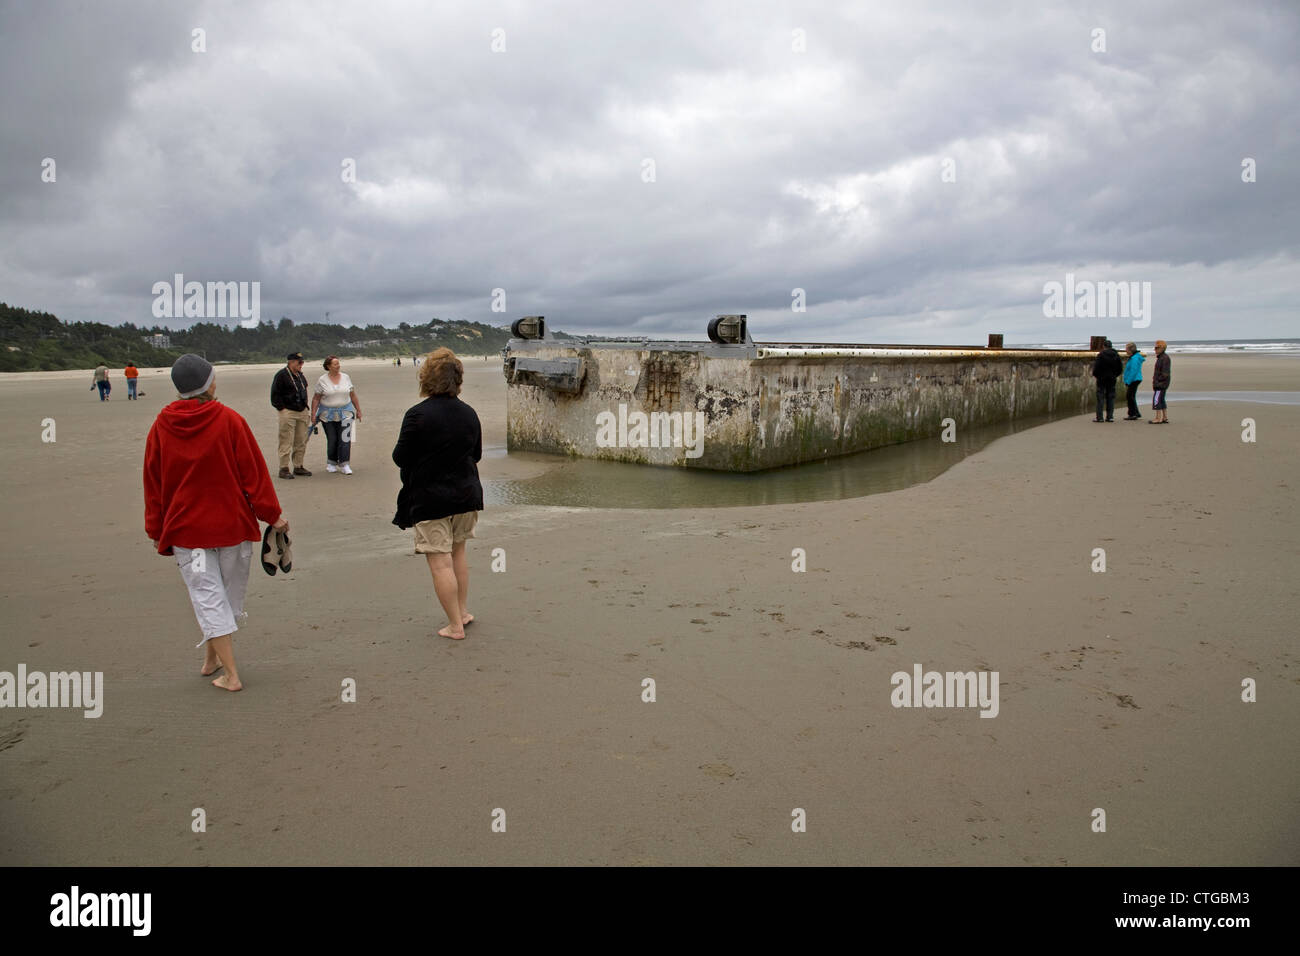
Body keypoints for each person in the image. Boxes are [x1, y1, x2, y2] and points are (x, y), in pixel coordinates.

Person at [144, 354, 288, 692]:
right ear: (208, 383)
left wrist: (155, 528)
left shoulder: (162, 425)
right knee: (223, 597)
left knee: (210, 596)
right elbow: (253, 474)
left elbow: (154, 484)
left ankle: (213, 660)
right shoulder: (229, 420)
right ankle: (232, 674)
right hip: (231, 526)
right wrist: (272, 514)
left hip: (186, 530)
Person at [392, 348, 483, 641]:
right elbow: (476, 454)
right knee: (458, 554)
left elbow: (400, 457)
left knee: (440, 561)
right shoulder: (469, 413)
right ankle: (463, 612)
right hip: (466, 494)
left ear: (426, 378)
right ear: (457, 380)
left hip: (431, 498)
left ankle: (455, 626)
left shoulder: (417, 415)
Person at [310, 356, 363, 474]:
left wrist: (358, 410)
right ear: (328, 366)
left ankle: (345, 464)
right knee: (332, 439)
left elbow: (353, 395)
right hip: (327, 414)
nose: (338, 366)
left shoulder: (346, 377)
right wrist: (313, 414)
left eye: (338, 363)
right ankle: (331, 463)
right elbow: (316, 399)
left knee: (345, 438)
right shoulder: (322, 380)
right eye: (335, 364)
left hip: (346, 413)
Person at [271, 351, 313, 479]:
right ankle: (283, 468)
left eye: (302, 362)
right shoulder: (281, 375)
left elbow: (304, 389)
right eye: (299, 362)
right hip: (288, 411)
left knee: (301, 440)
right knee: (286, 440)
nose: (301, 364)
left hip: (302, 411)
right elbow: (275, 394)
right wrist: (282, 409)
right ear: (291, 362)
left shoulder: (300, 375)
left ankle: (298, 466)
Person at [1091, 339, 1122, 422]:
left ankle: (1100, 417)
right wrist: (1114, 375)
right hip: (1112, 379)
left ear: (1104, 346)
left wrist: (1097, 376)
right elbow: (1120, 369)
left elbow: (1096, 368)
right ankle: (1110, 416)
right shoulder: (1116, 355)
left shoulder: (1101, 355)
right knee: (1111, 397)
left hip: (1102, 379)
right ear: (1111, 346)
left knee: (1100, 397)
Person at [1150, 340, 1172, 424]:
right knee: (1161, 400)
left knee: (1157, 400)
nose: (1155, 349)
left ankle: (1158, 418)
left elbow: (1165, 373)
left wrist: (1157, 381)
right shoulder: (1161, 357)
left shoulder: (1164, 358)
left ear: (1162, 348)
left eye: (1156, 348)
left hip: (1161, 384)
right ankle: (1165, 417)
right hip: (1162, 383)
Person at [1121, 343, 1145, 420]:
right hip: (1135, 379)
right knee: (1131, 396)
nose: (1126, 350)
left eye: (1127, 349)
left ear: (1130, 350)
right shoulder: (1134, 357)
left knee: (1130, 396)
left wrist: (1128, 381)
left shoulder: (1134, 358)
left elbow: (1133, 371)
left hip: (1134, 379)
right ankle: (1136, 413)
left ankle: (1132, 414)